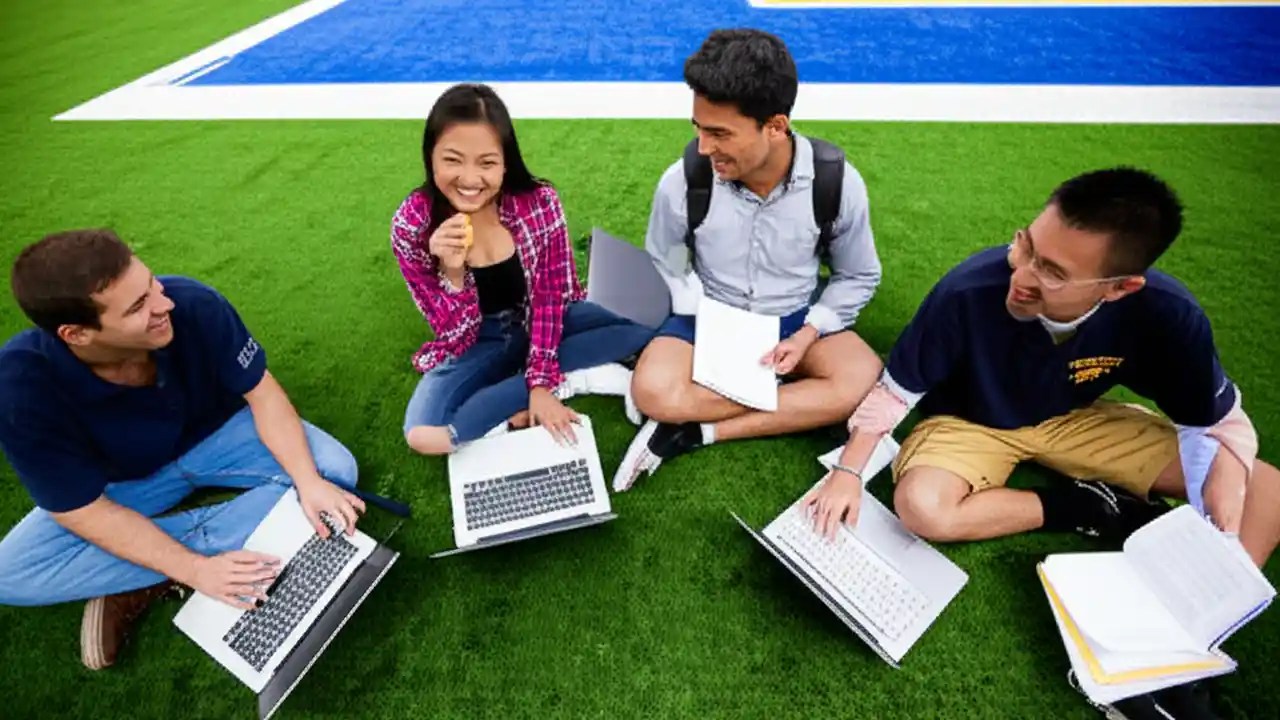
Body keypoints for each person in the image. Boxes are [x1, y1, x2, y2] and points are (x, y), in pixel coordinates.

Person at [806, 167, 1280, 717]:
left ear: (1120, 287)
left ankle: (1186, 646)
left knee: (1263, 488)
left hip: (1073, 417)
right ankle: (1088, 505)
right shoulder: (969, 289)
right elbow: (895, 391)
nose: (1022, 276)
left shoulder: (1170, 316)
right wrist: (847, 472)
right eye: (1025, 245)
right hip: (969, 421)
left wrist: (1214, 524)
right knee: (923, 508)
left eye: (1052, 272)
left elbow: (1216, 426)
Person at [0, 229, 365, 670]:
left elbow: (263, 395)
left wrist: (308, 482)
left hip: (219, 435)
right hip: (123, 483)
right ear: (76, 334)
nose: (163, 303)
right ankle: (171, 565)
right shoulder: (20, 385)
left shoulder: (191, 301)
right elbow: (79, 510)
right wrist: (194, 569)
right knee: (11, 574)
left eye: (151, 283)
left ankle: (140, 570)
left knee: (332, 473)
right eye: (138, 306)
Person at [612, 28, 884, 491]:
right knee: (652, 389)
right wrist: (699, 312)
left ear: (775, 126)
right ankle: (786, 398)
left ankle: (698, 431)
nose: (703, 147)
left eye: (719, 133)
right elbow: (666, 262)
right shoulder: (682, 181)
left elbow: (858, 274)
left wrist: (810, 331)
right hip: (709, 314)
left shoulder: (837, 181)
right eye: (698, 128)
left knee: (862, 377)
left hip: (796, 317)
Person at [394, 83, 655, 454]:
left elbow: (551, 300)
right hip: (479, 341)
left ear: (505, 161)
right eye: (452, 160)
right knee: (425, 435)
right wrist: (451, 274)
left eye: (486, 163)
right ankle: (571, 377)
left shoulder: (539, 203)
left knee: (646, 321)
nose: (469, 179)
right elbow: (453, 335)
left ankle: (539, 381)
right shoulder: (413, 225)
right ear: (430, 157)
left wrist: (540, 384)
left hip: (544, 322)